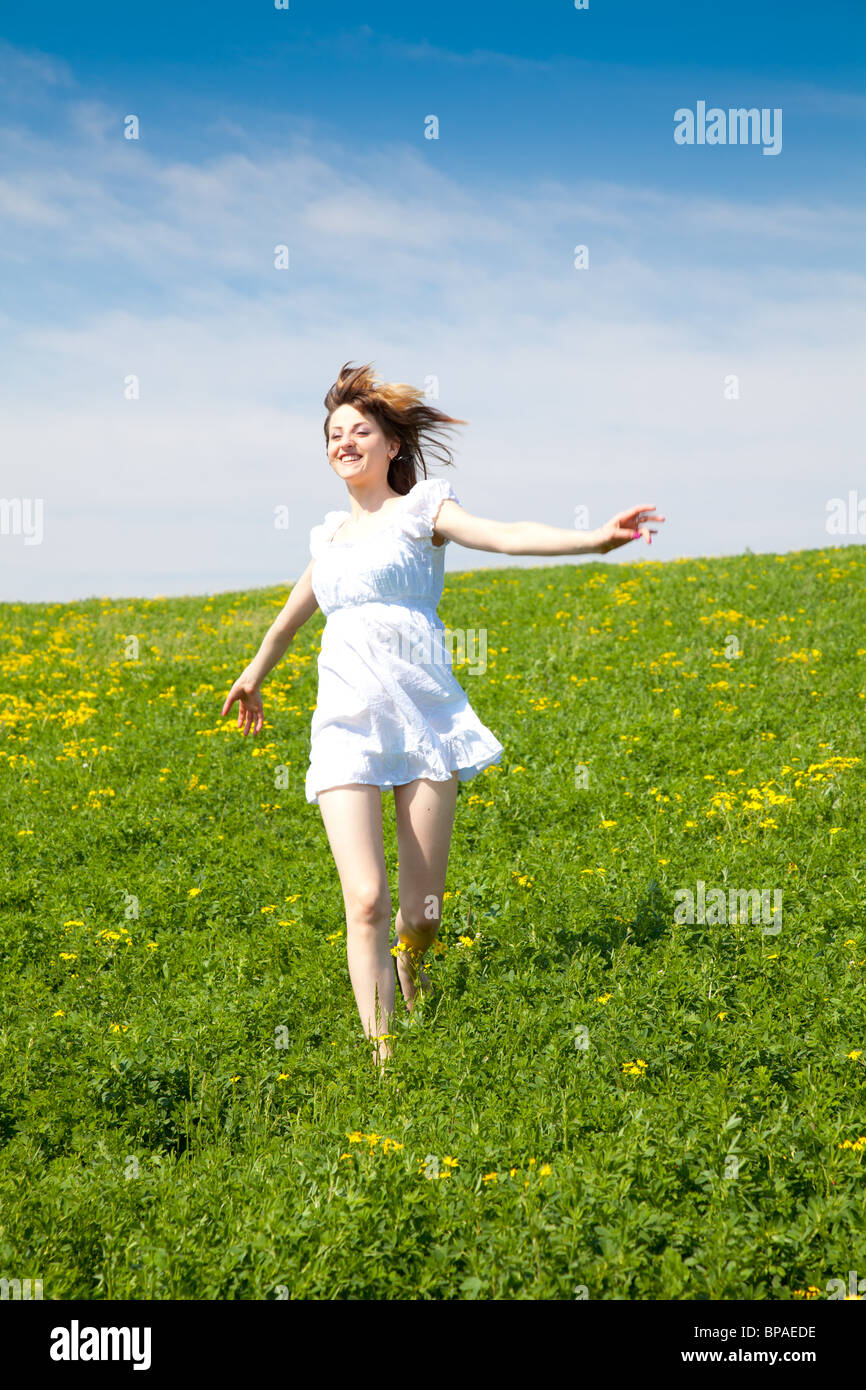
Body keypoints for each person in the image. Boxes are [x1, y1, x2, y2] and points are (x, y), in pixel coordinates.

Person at [222, 362, 664, 1071]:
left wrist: (595, 540)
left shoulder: (423, 511)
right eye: (334, 433)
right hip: (346, 732)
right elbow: (287, 623)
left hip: (423, 722)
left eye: (359, 429)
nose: (344, 441)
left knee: (419, 917)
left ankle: (414, 967)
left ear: (392, 445)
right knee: (364, 900)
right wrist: (252, 675)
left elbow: (506, 535)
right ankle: (383, 1057)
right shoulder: (328, 538)